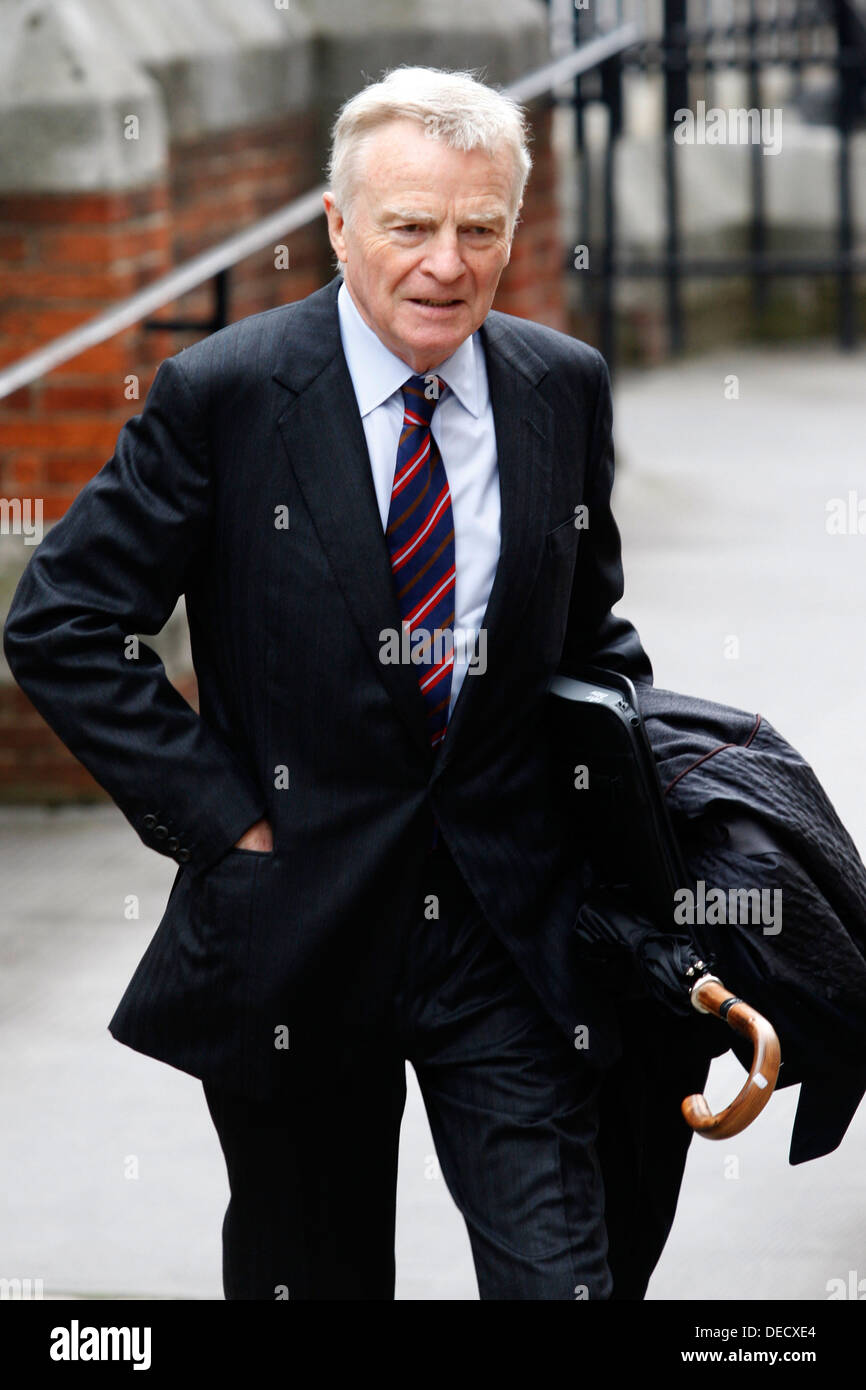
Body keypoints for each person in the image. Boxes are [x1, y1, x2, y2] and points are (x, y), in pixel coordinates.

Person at [3, 66, 681, 1301]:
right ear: (336, 224)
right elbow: (63, 620)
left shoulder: (558, 386)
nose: (445, 264)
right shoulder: (228, 394)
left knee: (560, 1275)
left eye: (479, 228)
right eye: (408, 225)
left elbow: (588, 635)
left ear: (513, 230)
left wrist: (641, 801)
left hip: (505, 925)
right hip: (299, 925)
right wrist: (223, 821)